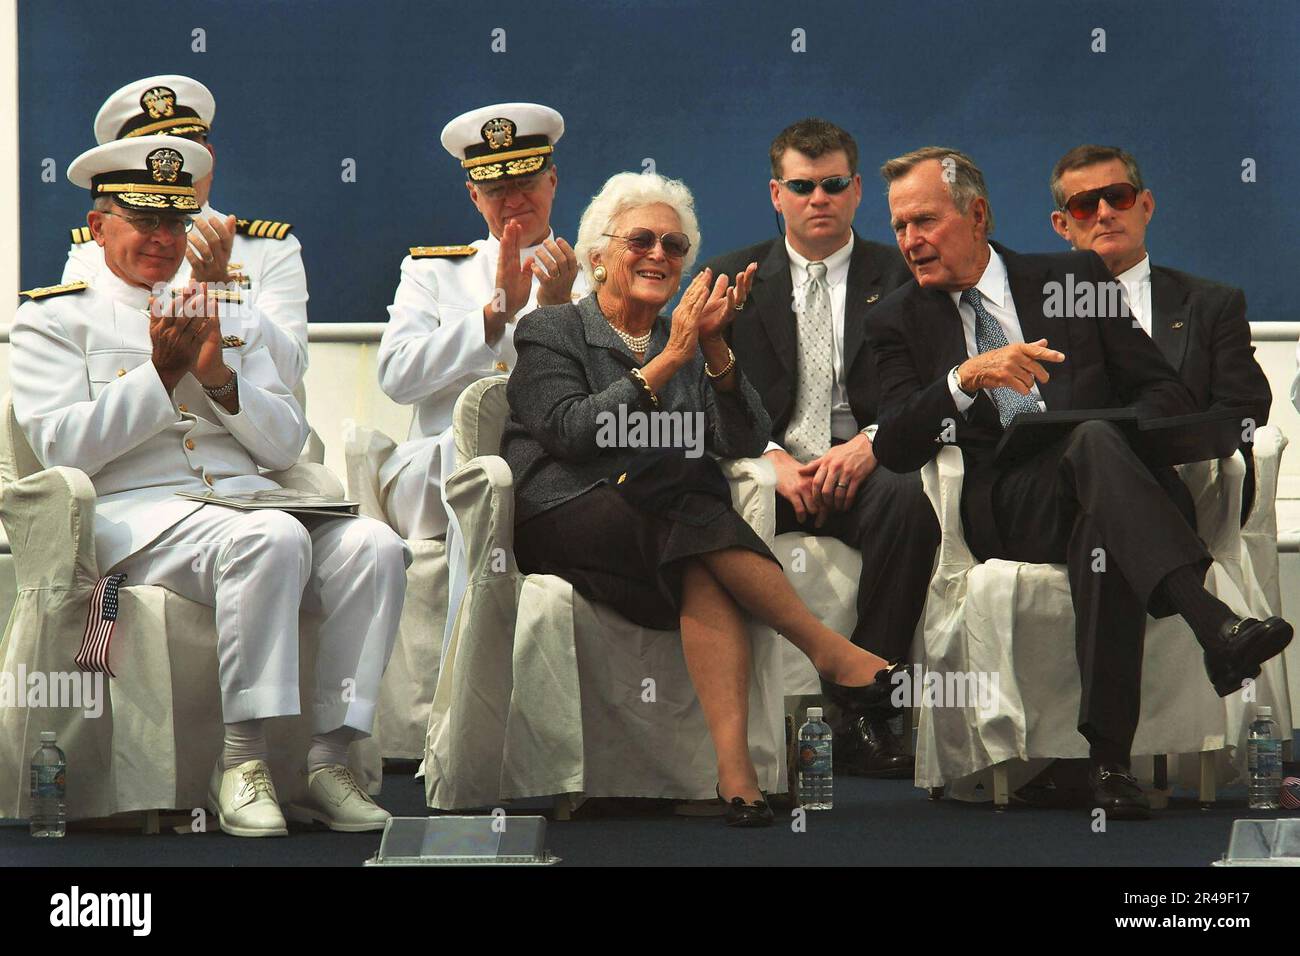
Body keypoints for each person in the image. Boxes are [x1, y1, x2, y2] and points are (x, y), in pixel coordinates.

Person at [867, 147, 1293, 819]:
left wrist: (1121, 426)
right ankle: (1215, 627)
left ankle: (1108, 766)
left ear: (976, 215)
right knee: (1093, 453)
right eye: (899, 227)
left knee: (1100, 488)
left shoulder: (1072, 277)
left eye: (924, 221)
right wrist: (964, 378)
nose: (910, 241)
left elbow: (1164, 389)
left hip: (1116, 488)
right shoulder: (897, 319)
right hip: (1012, 504)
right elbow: (893, 444)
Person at [11, 135, 410, 837]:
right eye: (145, 221)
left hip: (246, 502)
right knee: (272, 537)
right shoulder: (53, 316)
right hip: (136, 517)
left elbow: (287, 441)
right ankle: (243, 761)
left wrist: (219, 377)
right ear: (100, 225)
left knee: (375, 546)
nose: (164, 239)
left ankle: (328, 760)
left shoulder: (223, 305)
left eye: (175, 222)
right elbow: (59, 451)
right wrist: (161, 375)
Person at [501, 171, 901, 827]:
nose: (660, 254)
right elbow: (573, 433)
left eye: (675, 245)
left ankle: (734, 772)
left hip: (658, 525)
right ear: (600, 254)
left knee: (694, 543)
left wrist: (714, 348)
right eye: (643, 240)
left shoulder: (680, 337)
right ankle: (825, 648)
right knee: (684, 490)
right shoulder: (552, 329)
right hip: (561, 513)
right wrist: (669, 359)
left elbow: (744, 437)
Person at [700, 118, 932, 778]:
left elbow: (920, 391)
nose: (818, 199)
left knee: (910, 502)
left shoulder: (905, 276)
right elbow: (709, 397)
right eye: (802, 186)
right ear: (777, 195)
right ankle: (731, 730)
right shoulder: (730, 279)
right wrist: (769, 456)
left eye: (833, 184)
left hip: (864, 464)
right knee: (701, 509)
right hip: (765, 470)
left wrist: (869, 445)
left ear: (858, 190)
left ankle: (865, 707)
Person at [377, 103, 586, 664]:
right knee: (477, 462)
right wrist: (495, 316)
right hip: (438, 476)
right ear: (474, 196)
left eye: (526, 181)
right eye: (497, 190)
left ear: (553, 179)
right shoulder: (433, 271)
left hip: (551, 470)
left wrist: (556, 313)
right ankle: (463, 682)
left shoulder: (595, 272)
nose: (514, 199)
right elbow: (396, 377)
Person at [1048, 144, 1271, 519]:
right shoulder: (1031, 307)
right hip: (1069, 493)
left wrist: (1175, 449)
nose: (1104, 214)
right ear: (1062, 225)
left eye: (1118, 197)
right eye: (1085, 205)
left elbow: (1244, 408)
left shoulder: (1210, 304)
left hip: (1182, 483)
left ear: (1146, 206)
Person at [62, 75, 308, 392]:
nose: (169, 171)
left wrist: (221, 294)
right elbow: (83, 357)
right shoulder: (91, 251)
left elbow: (290, 373)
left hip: (236, 428)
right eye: (156, 156)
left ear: (210, 157)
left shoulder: (269, 247)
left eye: (186, 153)